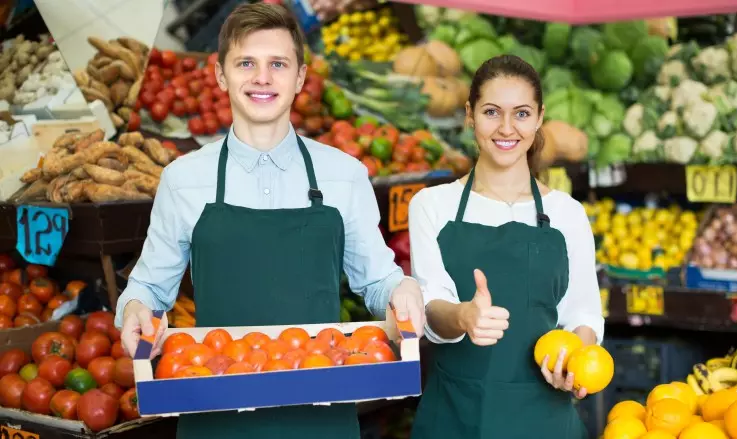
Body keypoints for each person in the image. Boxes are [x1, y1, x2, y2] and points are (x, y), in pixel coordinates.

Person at [114, 4, 425, 439]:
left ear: (300, 77)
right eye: (246, 63)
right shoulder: (183, 179)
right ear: (221, 75)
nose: (262, 78)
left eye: (278, 64)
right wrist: (134, 310)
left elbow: (377, 282)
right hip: (215, 411)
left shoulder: (344, 174)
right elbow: (149, 290)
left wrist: (402, 290)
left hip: (321, 412)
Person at [407, 54, 604, 438]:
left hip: (544, 419)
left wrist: (572, 360)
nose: (507, 128)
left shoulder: (567, 213)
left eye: (522, 113)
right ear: (470, 114)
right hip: (455, 416)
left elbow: (584, 314)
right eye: (492, 112)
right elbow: (430, 309)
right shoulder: (432, 205)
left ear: (540, 118)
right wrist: (464, 316)